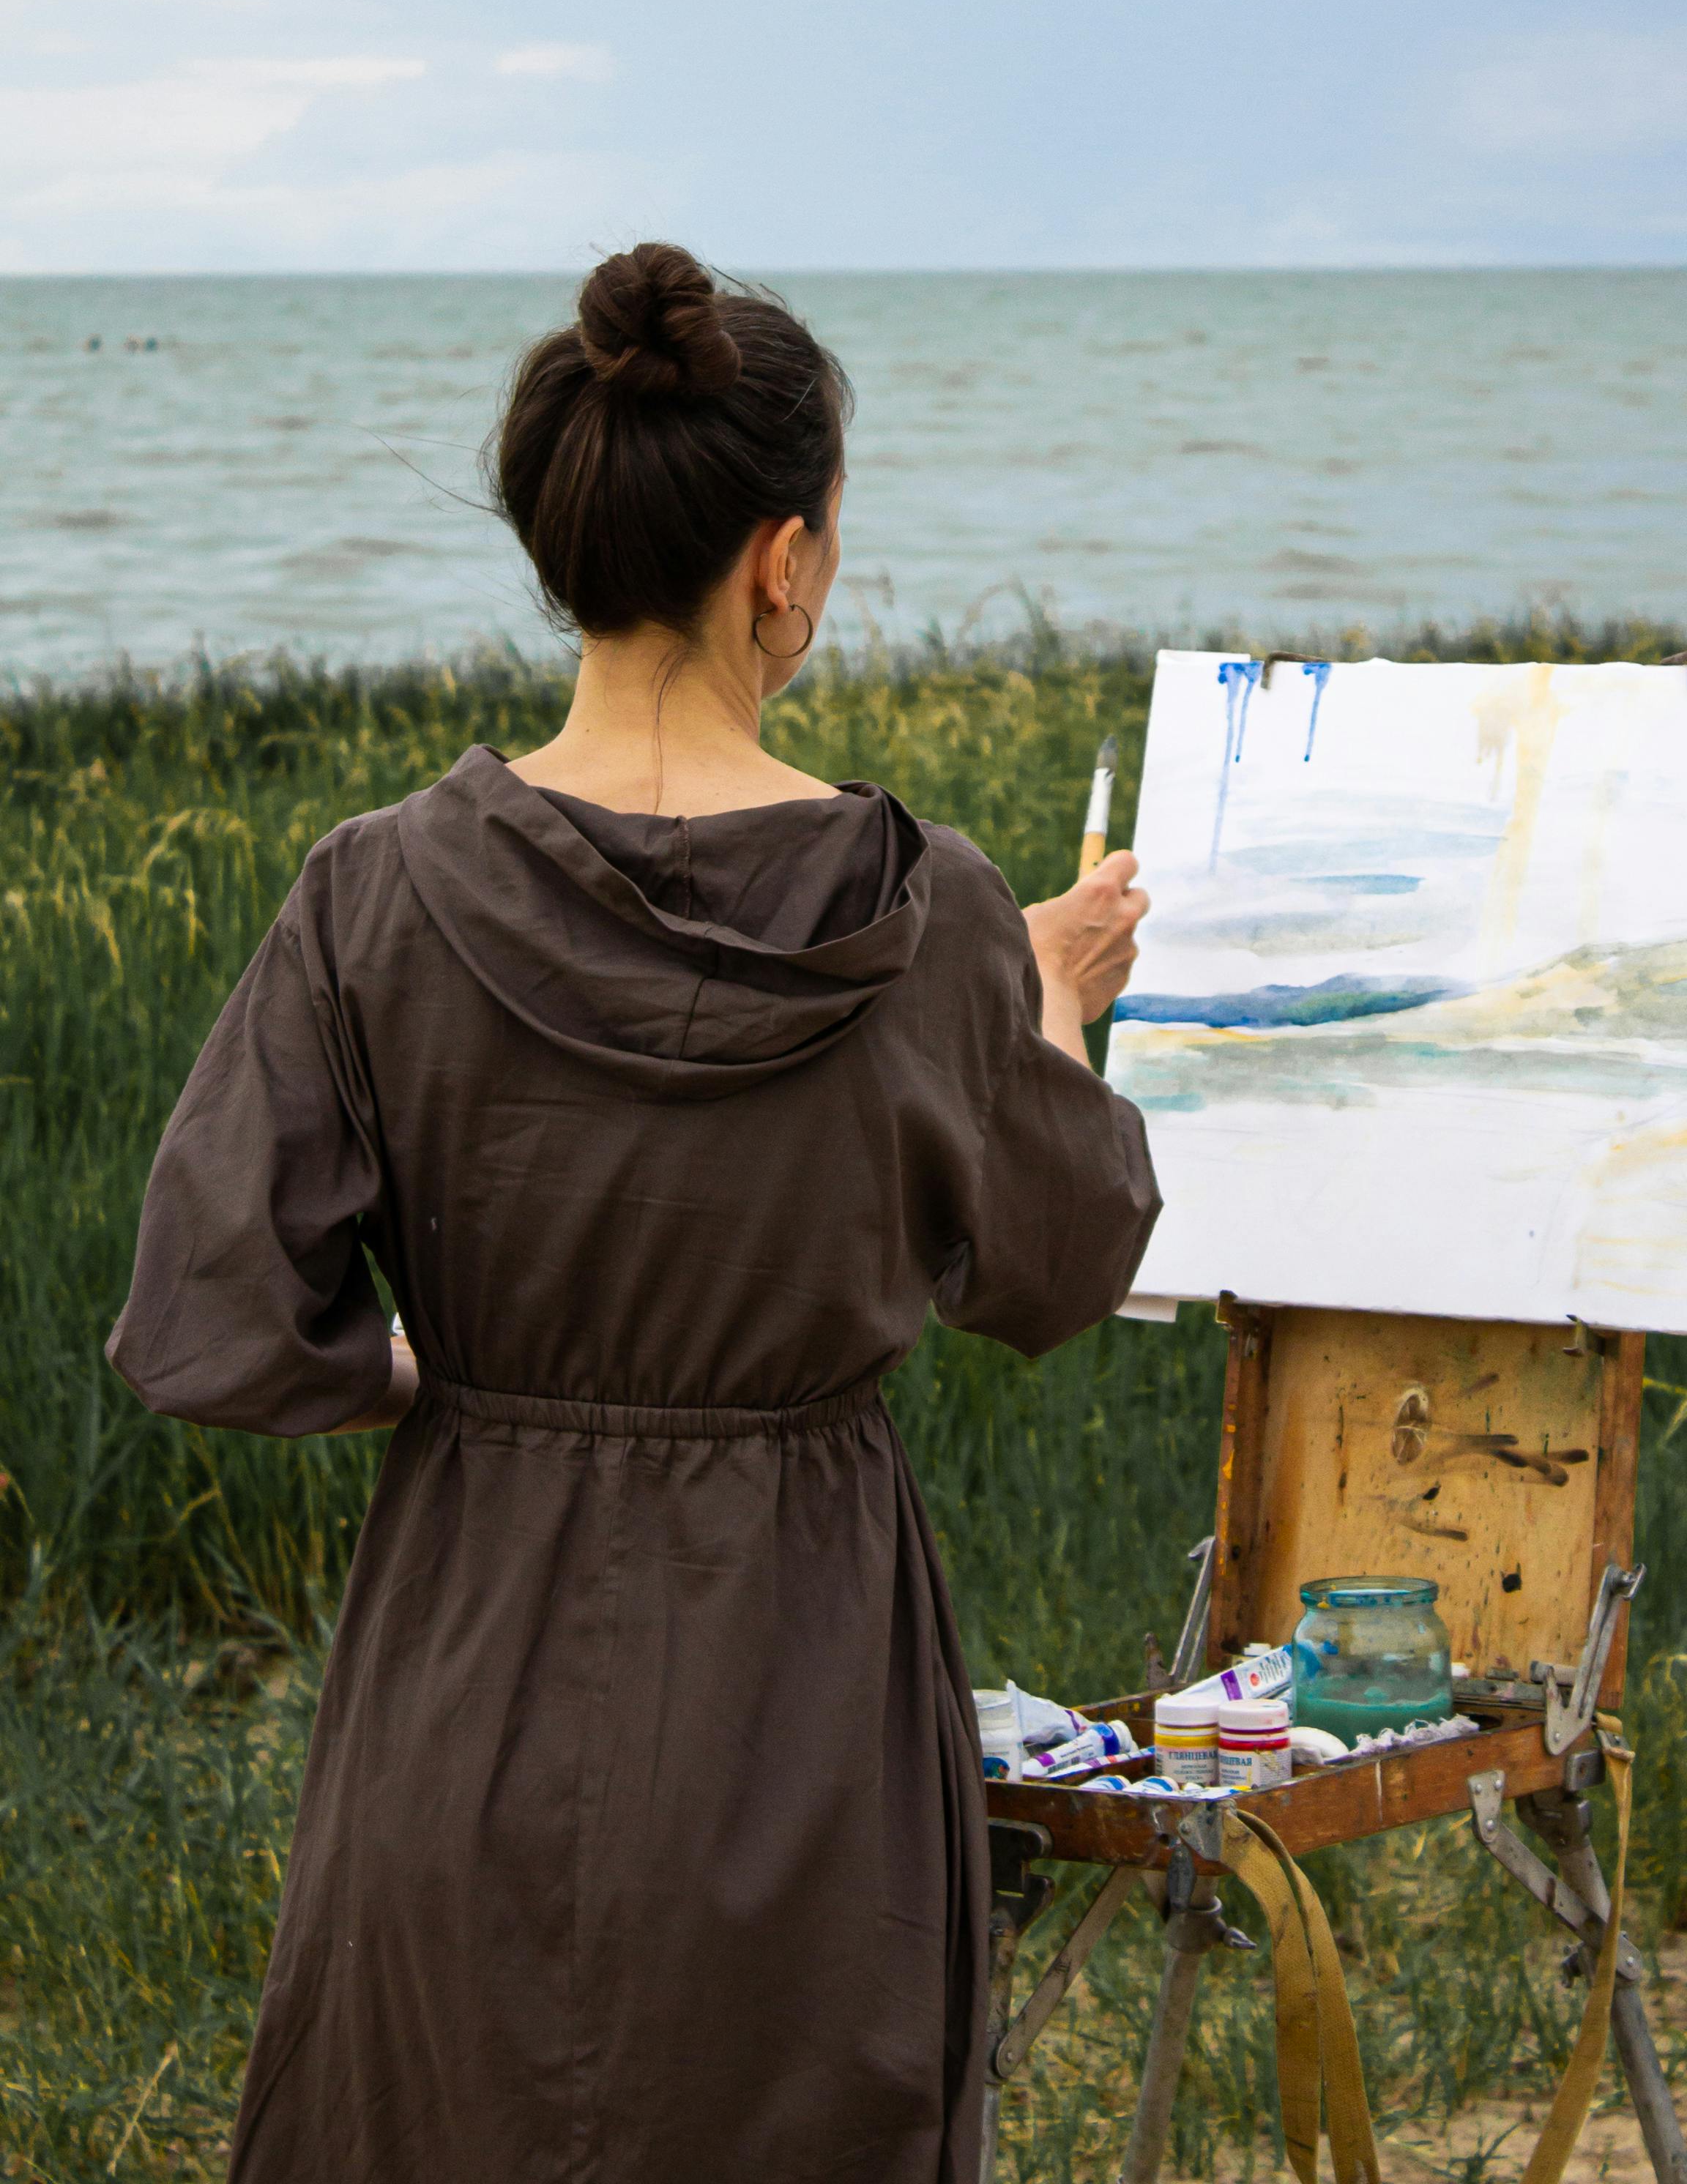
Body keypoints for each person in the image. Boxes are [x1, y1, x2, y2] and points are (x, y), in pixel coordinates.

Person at [106, 243, 1158, 2184]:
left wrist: (429, 1375)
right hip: (800, 1692)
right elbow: (1060, 1265)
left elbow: (216, 1316)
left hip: (469, 1660)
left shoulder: (371, 894)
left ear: (565, 538)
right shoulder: (929, 918)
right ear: (783, 561)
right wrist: (1044, 1005)